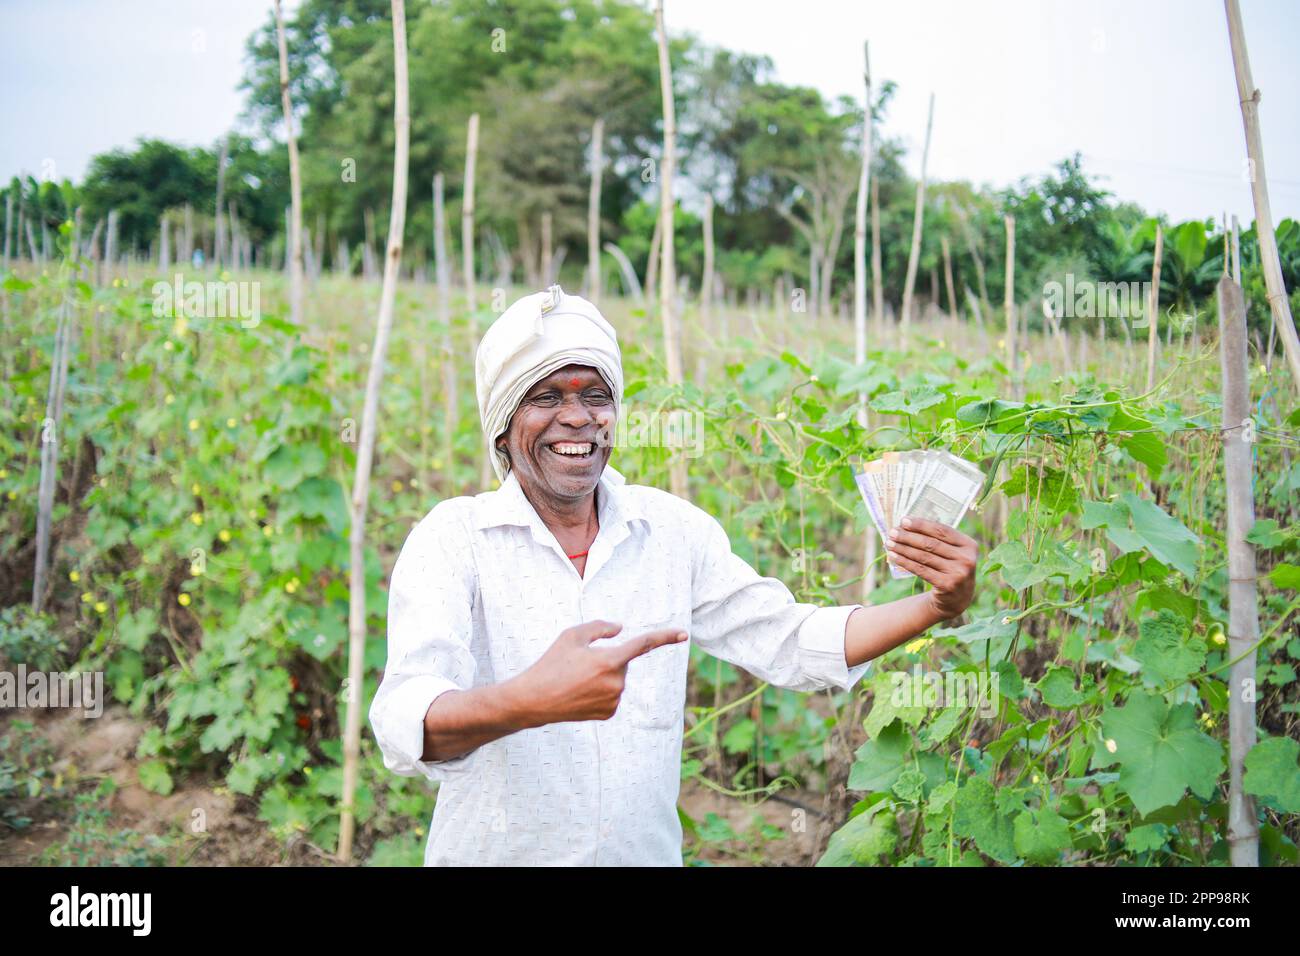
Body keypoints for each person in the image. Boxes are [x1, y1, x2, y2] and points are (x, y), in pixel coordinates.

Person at [368, 284, 978, 865]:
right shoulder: (456, 539)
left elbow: (790, 640)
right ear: (503, 424)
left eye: (595, 396)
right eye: (546, 398)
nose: (577, 418)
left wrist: (936, 606)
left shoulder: (671, 531)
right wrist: (529, 702)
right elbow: (405, 720)